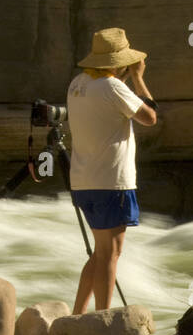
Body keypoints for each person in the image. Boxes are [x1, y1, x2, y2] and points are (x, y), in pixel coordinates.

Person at [66, 27, 158, 313]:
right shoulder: (113, 87)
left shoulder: (77, 84)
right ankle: (102, 319)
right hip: (112, 183)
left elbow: (109, 101)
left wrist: (124, 78)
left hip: (83, 182)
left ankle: (77, 314)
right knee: (111, 254)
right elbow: (150, 117)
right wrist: (139, 78)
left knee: (100, 252)